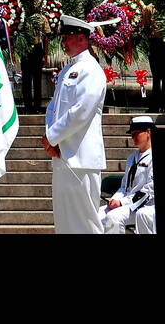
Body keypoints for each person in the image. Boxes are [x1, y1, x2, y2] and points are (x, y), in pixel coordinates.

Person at [42, 15, 107, 235]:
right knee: (65, 223)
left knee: (86, 222)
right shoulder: (67, 71)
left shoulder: (91, 70)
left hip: (82, 158)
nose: (64, 42)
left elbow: (81, 111)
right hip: (63, 157)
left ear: (81, 38)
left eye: (67, 38)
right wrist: (50, 138)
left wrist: (52, 138)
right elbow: (53, 108)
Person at [103, 115, 154, 234]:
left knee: (113, 217)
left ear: (148, 132)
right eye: (132, 134)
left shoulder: (153, 157)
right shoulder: (132, 158)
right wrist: (115, 199)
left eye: (136, 133)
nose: (133, 137)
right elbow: (124, 186)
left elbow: (149, 190)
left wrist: (122, 203)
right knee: (98, 215)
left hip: (146, 205)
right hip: (129, 203)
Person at [20, 11, 49, 115]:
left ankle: (37, 107)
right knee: (26, 81)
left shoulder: (41, 18)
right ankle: (28, 107)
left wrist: (45, 55)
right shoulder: (21, 16)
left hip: (37, 50)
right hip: (25, 50)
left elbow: (46, 38)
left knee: (37, 81)